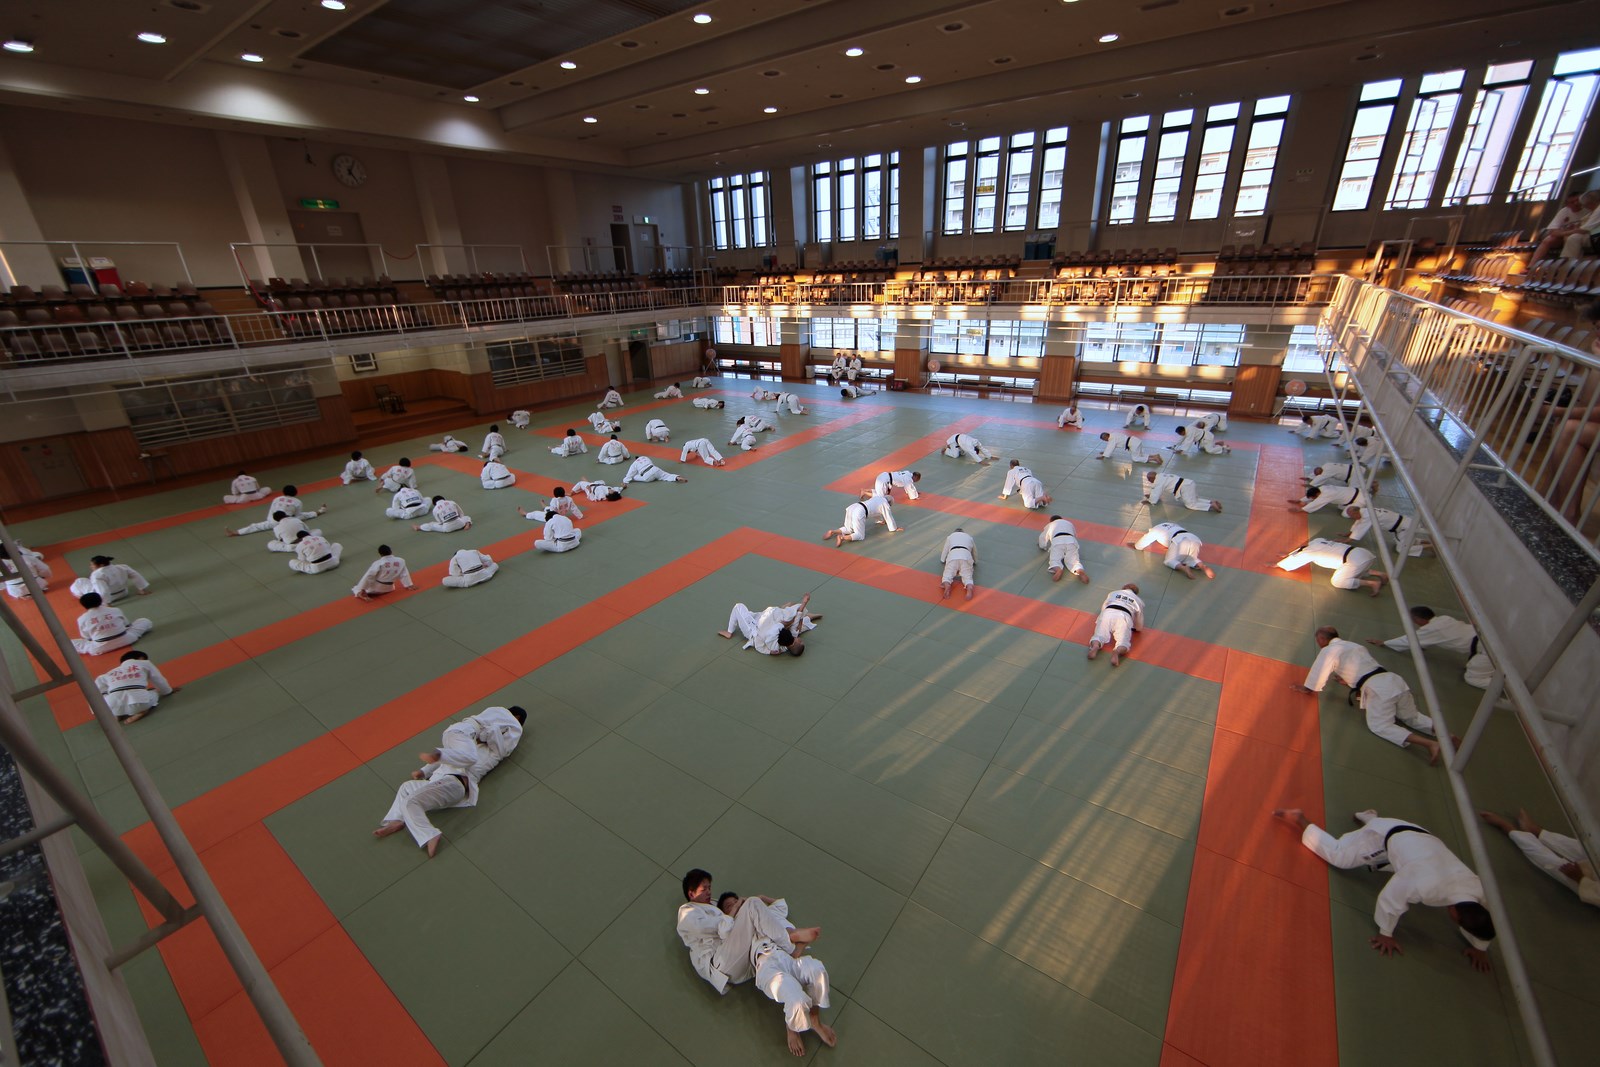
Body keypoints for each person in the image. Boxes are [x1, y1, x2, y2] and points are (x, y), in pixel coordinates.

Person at [1271, 808, 1495, 971]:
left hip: (1418, 835)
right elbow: (1390, 899)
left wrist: (1480, 947)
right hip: (1385, 839)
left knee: (1387, 863)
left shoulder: (1478, 888)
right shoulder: (1424, 884)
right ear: (1454, 915)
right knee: (1340, 857)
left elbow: (1482, 919)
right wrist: (1385, 933)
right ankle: (1300, 819)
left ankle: (1370, 818)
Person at [374, 706, 526, 857]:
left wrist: (487, 728)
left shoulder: (496, 751)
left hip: (456, 783)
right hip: (442, 780)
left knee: (410, 802)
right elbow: (448, 757)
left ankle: (429, 834)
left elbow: (494, 736)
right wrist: (423, 772)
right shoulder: (468, 742)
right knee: (407, 787)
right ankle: (396, 820)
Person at [1291, 626, 1446, 763]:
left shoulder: (1329, 650)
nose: (1318, 643)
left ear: (1322, 638)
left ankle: (1430, 744)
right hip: (1393, 680)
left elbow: (1320, 671)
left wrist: (1308, 688)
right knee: (1412, 716)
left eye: (1318, 639)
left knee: (1380, 725)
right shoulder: (1355, 646)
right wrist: (1351, 681)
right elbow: (1363, 668)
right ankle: (1447, 735)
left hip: (1379, 689)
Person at [716, 892, 838, 1058]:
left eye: (737, 901)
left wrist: (761, 898)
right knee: (797, 999)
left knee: (818, 970)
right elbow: (723, 930)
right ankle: (792, 1029)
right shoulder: (736, 929)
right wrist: (737, 907)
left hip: (786, 955)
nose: (736, 905)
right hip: (767, 964)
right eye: (730, 906)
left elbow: (780, 905)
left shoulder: (765, 916)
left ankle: (815, 1021)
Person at [1479, 809, 1598, 908]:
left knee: (1555, 864)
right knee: (1587, 849)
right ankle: (1537, 832)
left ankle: (1509, 829)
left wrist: (1580, 879)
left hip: (1592, 887)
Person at [1369, 606, 1494, 689]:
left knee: (1472, 678)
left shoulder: (1431, 629)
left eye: (1413, 619)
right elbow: (1434, 638)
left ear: (1419, 619)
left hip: (1488, 652)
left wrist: (1384, 643)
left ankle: (1503, 686)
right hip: (1486, 638)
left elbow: (1409, 640)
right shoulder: (1445, 619)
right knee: (1476, 666)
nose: (1413, 621)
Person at [1275, 539, 1389, 595]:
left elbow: (1296, 558)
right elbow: (1300, 549)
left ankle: (1372, 583)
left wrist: (1278, 565)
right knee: (1352, 570)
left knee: (1337, 581)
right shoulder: (1317, 541)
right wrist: (1289, 554)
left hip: (1356, 561)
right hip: (1364, 554)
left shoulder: (1308, 553)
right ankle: (1379, 574)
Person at [93, 650, 176, 725]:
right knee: (154, 692)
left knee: (111, 694)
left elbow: (94, 693)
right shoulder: (145, 663)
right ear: (141, 658)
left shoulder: (108, 673)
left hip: (111, 707)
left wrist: (98, 710)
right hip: (140, 704)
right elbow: (158, 679)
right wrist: (168, 691)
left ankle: (117, 715)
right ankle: (142, 712)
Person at [718, 595, 819, 655]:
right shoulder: (790, 638)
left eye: (800, 641)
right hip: (764, 620)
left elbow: (760, 647)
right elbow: (796, 621)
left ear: (795, 643)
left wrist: (782, 624)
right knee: (798, 625)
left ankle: (729, 632)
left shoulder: (774, 644)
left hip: (753, 630)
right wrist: (803, 604)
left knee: (738, 607)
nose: (800, 639)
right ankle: (809, 617)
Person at [72, 592, 152, 657]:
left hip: (99, 648)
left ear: (84, 605)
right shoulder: (115, 610)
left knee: (72, 643)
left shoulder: (82, 618)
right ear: (101, 600)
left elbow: (86, 637)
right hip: (127, 639)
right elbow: (127, 624)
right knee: (144, 621)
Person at [1128, 521, 1215, 580]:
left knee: (1169, 560)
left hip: (1179, 541)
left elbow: (1146, 539)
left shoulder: (1155, 530)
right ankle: (1203, 566)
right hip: (1194, 538)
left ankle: (1183, 568)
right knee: (1191, 558)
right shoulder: (1171, 525)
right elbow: (1168, 538)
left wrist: (1136, 546)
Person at [227, 484, 325, 536]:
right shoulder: (297, 501)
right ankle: (320, 511)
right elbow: (298, 515)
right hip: (289, 520)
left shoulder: (277, 499)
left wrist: (271, 520)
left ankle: (236, 532)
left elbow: (271, 512)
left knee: (256, 526)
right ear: (295, 493)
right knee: (304, 516)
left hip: (274, 520)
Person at [1530, 190, 1599, 261]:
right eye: (1572, 202)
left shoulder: (1594, 210)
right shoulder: (1564, 211)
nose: (1576, 203)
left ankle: (1568, 263)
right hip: (1570, 234)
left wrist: (1570, 232)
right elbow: (1553, 231)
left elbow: (1584, 229)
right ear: (1567, 205)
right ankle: (1531, 266)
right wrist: (1566, 233)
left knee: (1573, 237)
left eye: (1577, 200)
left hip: (1591, 235)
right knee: (1548, 240)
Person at [1087, 584, 1144, 666]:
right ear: (1135, 593)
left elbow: (1104, 607)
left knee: (1099, 635)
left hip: (1108, 612)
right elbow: (1139, 620)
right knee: (1123, 641)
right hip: (1124, 616)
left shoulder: (1113, 593)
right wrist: (1137, 628)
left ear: (1124, 588)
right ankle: (1117, 652)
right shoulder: (1138, 600)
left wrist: (1101, 618)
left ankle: (1095, 646)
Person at [1343, 504, 1429, 555]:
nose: (1352, 518)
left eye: (1352, 516)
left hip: (1406, 527)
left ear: (1355, 512)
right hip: (1406, 523)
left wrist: (1346, 541)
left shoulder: (1368, 515)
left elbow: (1360, 530)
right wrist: (1348, 533)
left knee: (1401, 550)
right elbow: (1358, 523)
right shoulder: (1364, 511)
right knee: (1403, 541)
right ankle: (1422, 541)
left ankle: (1429, 547)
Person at [823, 493, 898, 546]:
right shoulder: (885, 504)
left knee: (848, 529)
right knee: (860, 535)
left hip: (853, 507)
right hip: (860, 511)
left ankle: (833, 531)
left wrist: (879, 521)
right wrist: (894, 528)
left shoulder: (877, 498)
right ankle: (842, 537)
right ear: (889, 503)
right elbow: (888, 517)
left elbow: (876, 511)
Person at [1039, 515, 1090, 584]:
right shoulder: (1069, 523)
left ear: (1051, 521)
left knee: (1055, 560)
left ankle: (1058, 570)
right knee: (1074, 561)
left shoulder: (1050, 525)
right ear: (1061, 519)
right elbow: (1074, 534)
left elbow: (1043, 538)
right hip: (1071, 540)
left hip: (1058, 541)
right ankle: (1079, 570)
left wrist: (1043, 546)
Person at [1143, 470, 1222, 512]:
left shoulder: (1157, 482)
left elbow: (1155, 494)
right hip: (1189, 482)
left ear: (1152, 478)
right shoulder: (1161, 475)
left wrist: (1150, 501)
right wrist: (1151, 495)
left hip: (1185, 488)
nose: (1149, 481)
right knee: (1195, 499)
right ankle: (1211, 502)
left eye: (1149, 479)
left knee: (1190, 505)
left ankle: (1210, 506)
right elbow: (1156, 491)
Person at [85, 556, 152, 602]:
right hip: (124, 593)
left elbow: (103, 590)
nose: (90, 567)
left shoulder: (96, 575)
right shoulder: (122, 567)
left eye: (92, 565)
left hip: (111, 598)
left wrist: (107, 603)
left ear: (101, 565)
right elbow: (136, 576)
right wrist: (142, 589)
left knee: (80, 582)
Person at [940, 527, 977, 600]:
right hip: (966, 555)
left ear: (954, 532)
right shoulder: (969, 537)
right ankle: (969, 586)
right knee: (967, 576)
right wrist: (975, 561)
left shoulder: (950, 537)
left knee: (947, 575)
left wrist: (942, 559)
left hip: (953, 555)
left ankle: (947, 585)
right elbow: (974, 551)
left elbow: (945, 550)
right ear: (963, 532)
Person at [1289, 484, 1366, 515]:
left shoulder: (1326, 494)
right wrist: (1300, 500)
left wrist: (1301, 510)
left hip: (1360, 498)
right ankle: (1350, 505)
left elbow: (1316, 503)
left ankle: (1363, 511)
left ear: (1317, 494)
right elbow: (1312, 496)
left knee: (1345, 514)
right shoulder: (1321, 488)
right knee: (1340, 507)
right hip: (1354, 492)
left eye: (1313, 497)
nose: (1313, 499)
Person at [1097, 431, 1162, 464]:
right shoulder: (1113, 434)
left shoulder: (1112, 439)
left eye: (1104, 439)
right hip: (1135, 440)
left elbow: (1110, 448)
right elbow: (1111, 447)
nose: (1104, 440)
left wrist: (1103, 456)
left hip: (1133, 444)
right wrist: (1105, 452)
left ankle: (1154, 459)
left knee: (1135, 458)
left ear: (1106, 436)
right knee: (1139, 454)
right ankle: (1155, 455)